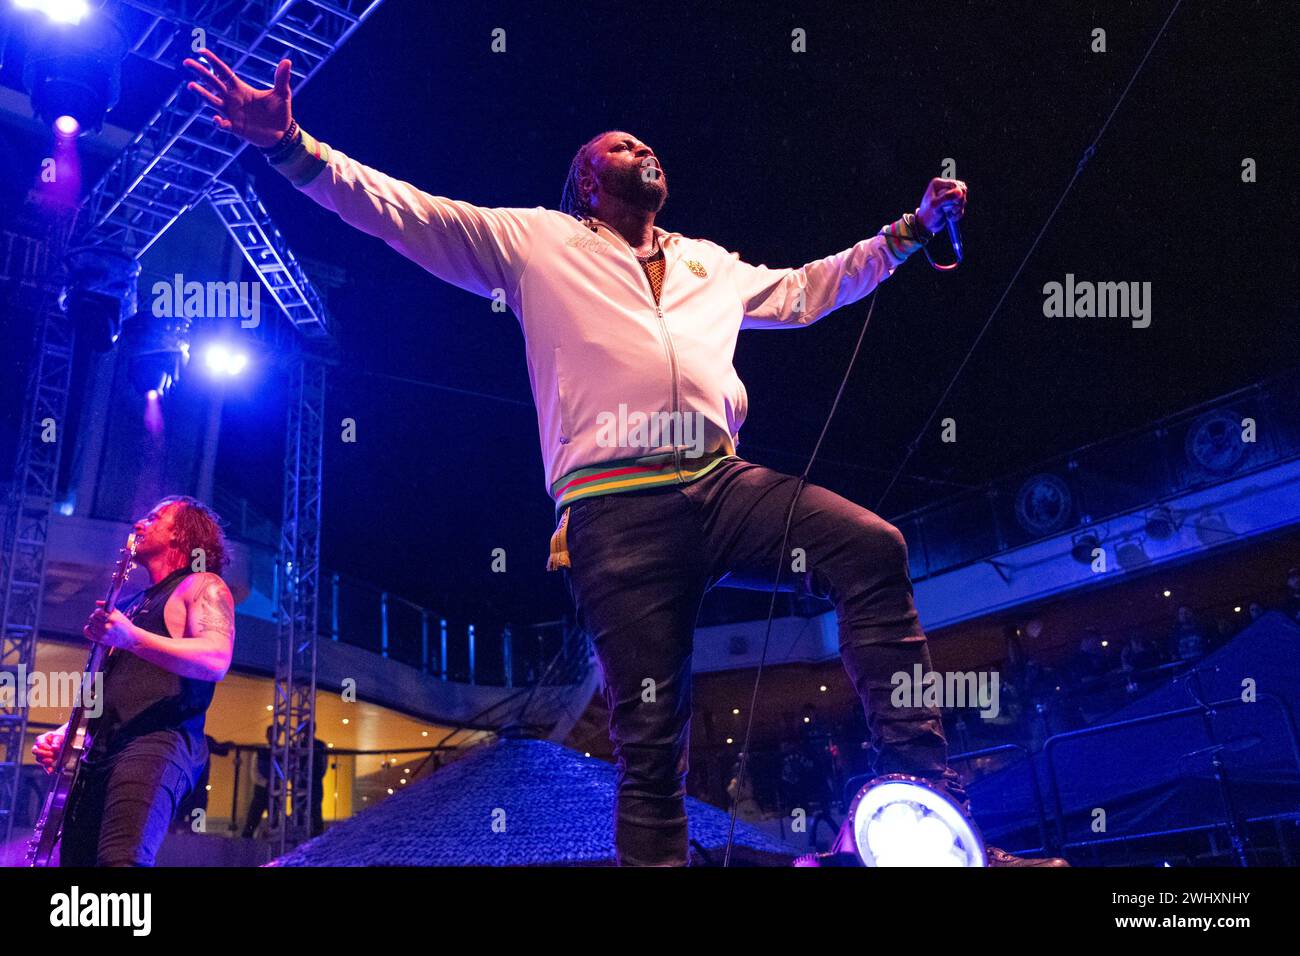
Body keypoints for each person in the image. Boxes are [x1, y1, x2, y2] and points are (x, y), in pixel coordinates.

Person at [182, 50, 1063, 867]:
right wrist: (291, 146)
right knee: (651, 746)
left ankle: (920, 781)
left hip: (720, 482)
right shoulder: (537, 245)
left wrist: (909, 230)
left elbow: (804, 291)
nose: (642, 145)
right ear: (585, 184)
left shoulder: (708, 265)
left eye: (646, 142)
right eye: (619, 143)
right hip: (616, 514)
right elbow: (405, 213)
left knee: (871, 547)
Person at [33, 496, 235, 866]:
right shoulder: (129, 603)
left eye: (155, 517)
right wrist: (69, 732)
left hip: (157, 741)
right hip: (101, 750)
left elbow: (215, 660)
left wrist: (129, 637)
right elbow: (113, 686)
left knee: (120, 860)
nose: (139, 522)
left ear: (182, 534)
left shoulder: (202, 585)